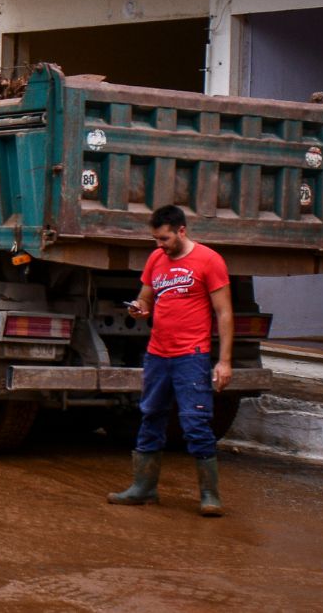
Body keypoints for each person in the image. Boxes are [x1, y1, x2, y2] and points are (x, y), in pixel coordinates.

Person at [108, 204, 234, 517]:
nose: (159, 245)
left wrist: (225, 361)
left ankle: (209, 495)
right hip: (157, 355)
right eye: (155, 239)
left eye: (164, 239)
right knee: (150, 415)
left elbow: (224, 313)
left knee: (196, 420)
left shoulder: (209, 260)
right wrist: (138, 308)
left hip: (191, 355)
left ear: (181, 230)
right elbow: (146, 298)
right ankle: (144, 488)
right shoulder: (156, 260)